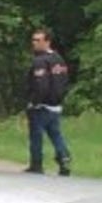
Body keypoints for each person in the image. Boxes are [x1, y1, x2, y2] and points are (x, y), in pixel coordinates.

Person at [24, 27, 72, 176]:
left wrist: (35, 102)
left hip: (42, 106)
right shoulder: (59, 59)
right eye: (33, 40)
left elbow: (41, 84)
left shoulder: (40, 61)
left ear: (47, 41)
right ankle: (64, 158)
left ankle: (36, 165)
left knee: (36, 135)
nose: (34, 43)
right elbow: (64, 80)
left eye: (38, 40)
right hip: (56, 105)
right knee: (55, 134)